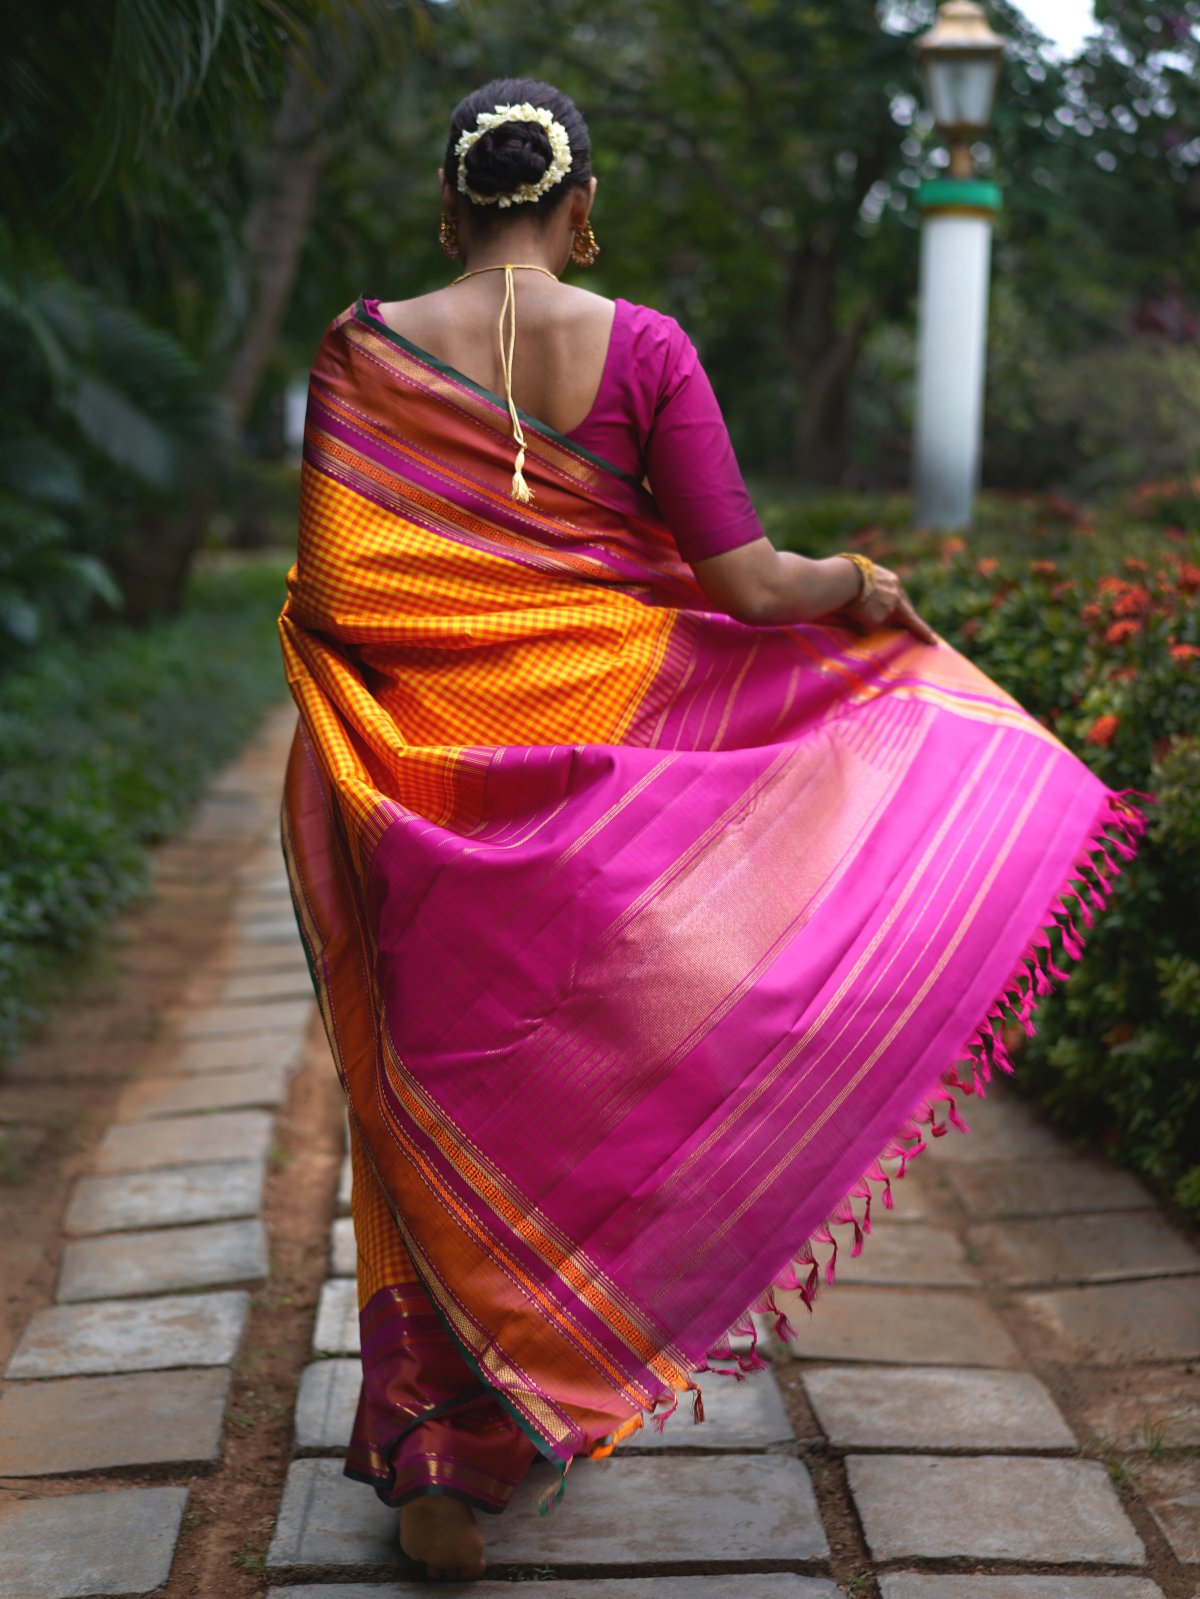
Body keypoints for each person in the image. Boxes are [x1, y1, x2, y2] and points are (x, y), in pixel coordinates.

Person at [278, 78, 1148, 1583]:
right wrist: (856, 585)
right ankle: (543, 1383)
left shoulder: (361, 351)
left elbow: (350, 599)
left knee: (423, 1089)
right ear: (578, 205)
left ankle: (439, 1442)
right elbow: (746, 585)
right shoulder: (646, 347)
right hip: (618, 772)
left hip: (421, 789)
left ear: (451, 202)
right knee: (580, 1073)